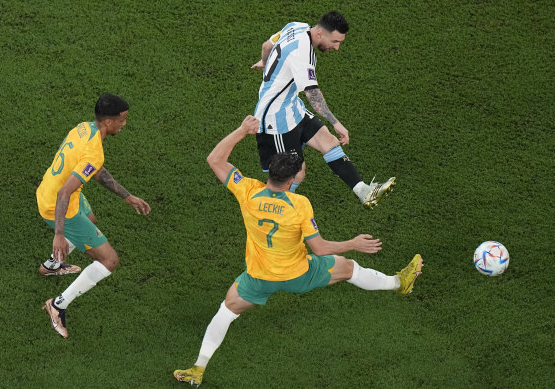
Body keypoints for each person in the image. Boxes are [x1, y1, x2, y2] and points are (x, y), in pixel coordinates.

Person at [173, 116, 423, 386]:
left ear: (270, 170)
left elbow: (215, 160)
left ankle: (198, 369)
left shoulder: (248, 192)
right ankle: (400, 283)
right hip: (298, 274)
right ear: (292, 177)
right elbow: (319, 247)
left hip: (258, 277)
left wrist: (243, 131)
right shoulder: (299, 205)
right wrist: (353, 243)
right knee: (348, 268)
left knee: (227, 311)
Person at [251, 11, 395, 208]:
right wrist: (336, 123)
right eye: (335, 41)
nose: (336, 47)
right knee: (296, 173)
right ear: (320, 34)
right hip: (275, 120)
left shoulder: (296, 26)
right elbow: (314, 96)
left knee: (328, 140)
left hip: (292, 106)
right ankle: (276, 209)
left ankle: (364, 192)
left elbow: (267, 46)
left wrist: (265, 63)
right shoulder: (302, 53)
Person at [36, 93, 151, 339]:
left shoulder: (83, 129)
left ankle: (52, 265)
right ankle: (57, 305)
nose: (124, 124)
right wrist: (59, 234)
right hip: (59, 203)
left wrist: (127, 196)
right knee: (109, 260)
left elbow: (94, 170)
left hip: (50, 189)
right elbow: (65, 193)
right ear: (108, 122)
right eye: (122, 120)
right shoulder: (94, 151)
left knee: (91, 220)